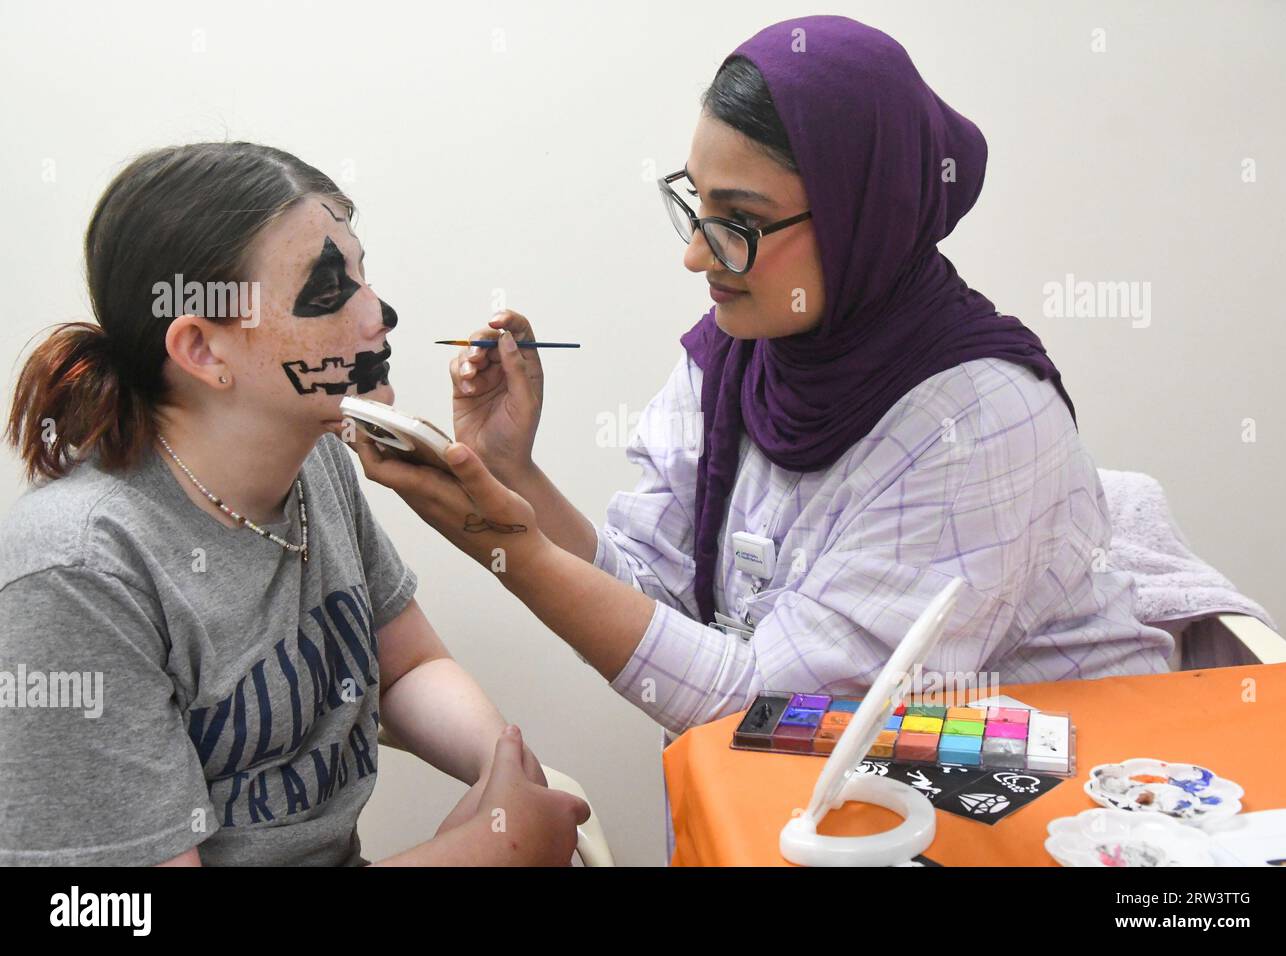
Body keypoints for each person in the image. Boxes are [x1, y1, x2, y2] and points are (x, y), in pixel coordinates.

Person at [348, 17, 1174, 739]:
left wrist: (503, 544)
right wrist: (511, 476)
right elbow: (659, 599)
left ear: (862, 209)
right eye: (694, 204)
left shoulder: (979, 423)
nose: (696, 254)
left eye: (739, 223)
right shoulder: (739, 352)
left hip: (1049, 804)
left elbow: (774, 711)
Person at [0, 142, 588, 866]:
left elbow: (405, 667)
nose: (380, 314)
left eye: (363, 275)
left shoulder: (316, 466)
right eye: (328, 290)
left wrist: (505, 771)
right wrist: (488, 852)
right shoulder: (77, 573)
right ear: (204, 350)